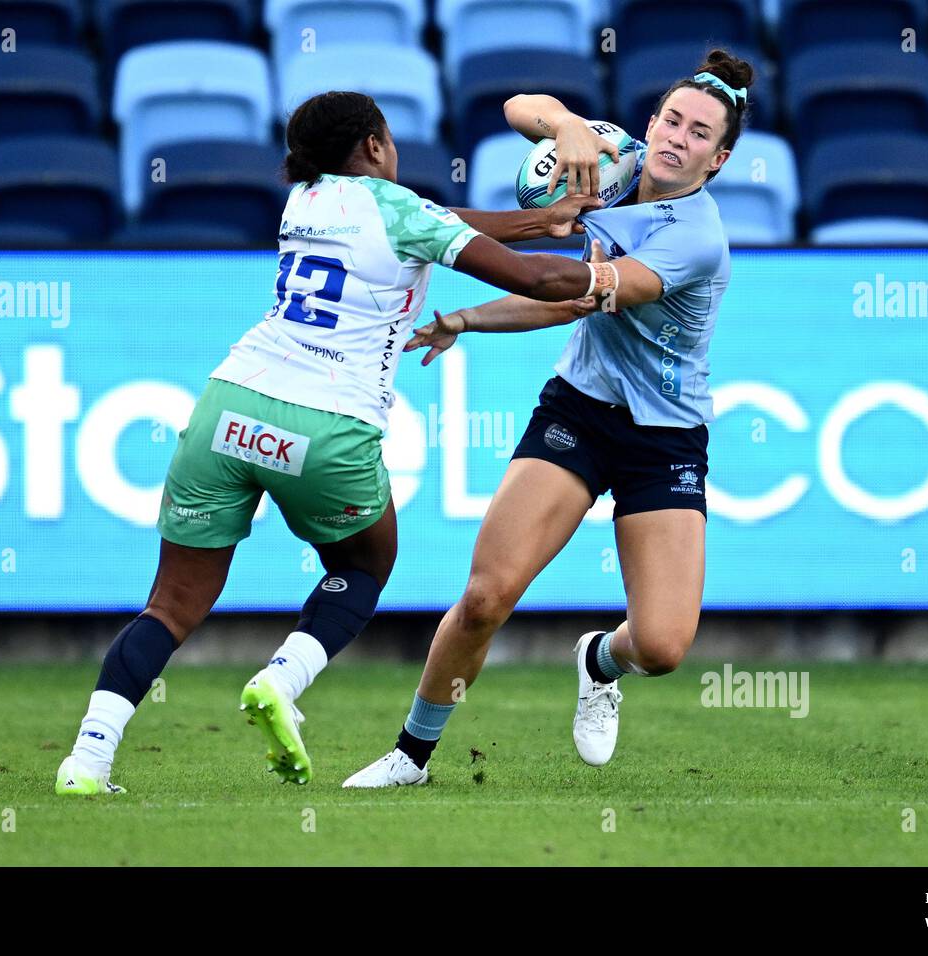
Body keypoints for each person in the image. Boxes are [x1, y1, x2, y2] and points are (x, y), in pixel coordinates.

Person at [55, 90, 618, 794]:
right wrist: (617, 279)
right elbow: (523, 275)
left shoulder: (305, 200)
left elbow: (432, 226)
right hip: (326, 427)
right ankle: (281, 681)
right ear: (377, 147)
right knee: (365, 565)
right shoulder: (399, 208)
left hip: (228, 406)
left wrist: (542, 218)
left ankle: (87, 759)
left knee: (169, 605)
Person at [344, 50, 754, 788]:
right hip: (580, 408)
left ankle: (599, 660)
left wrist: (468, 246)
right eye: (670, 119)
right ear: (652, 120)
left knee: (661, 647)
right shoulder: (620, 158)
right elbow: (516, 107)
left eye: (698, 134)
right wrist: (568, 125)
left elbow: (572, 290)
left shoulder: (696, 239)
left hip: (664, 437)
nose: (675, 137)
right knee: (484, 597)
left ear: (718, 158)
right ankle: (412, 755)